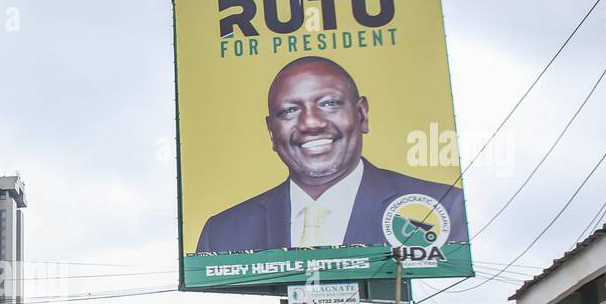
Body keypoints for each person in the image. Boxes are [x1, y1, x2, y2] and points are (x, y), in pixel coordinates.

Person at [196, 56, 469, 253]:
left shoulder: (443, 207)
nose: (310, 123)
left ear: (361, 114)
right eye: (289, 111)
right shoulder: (222, 233)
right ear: (271, 131)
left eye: (328, 104)